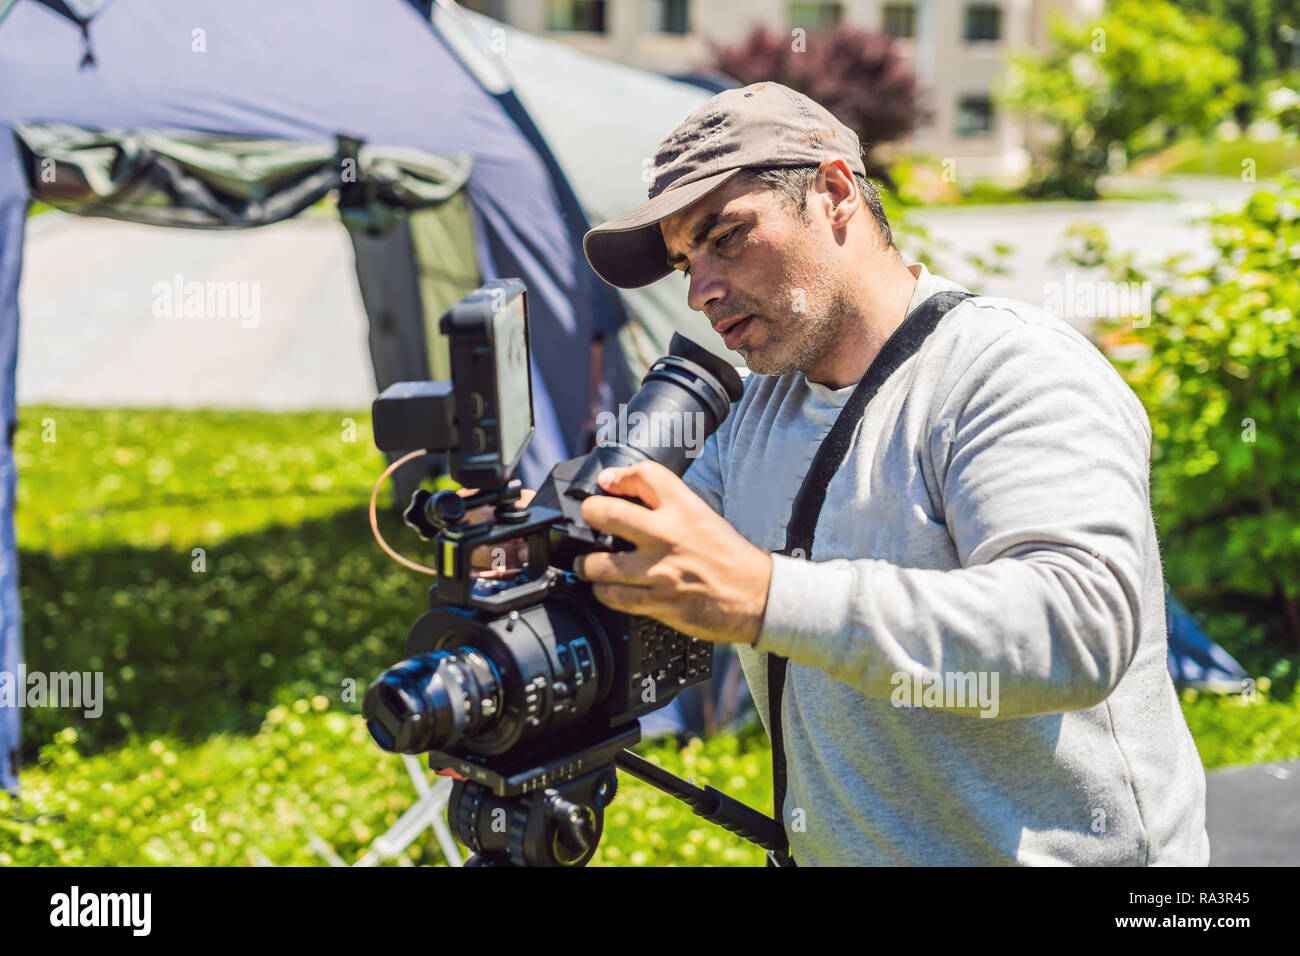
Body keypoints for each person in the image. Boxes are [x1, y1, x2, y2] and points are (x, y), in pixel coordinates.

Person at [571, 81, 1210, 865]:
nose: (701, 291)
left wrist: (767, 596)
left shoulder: (1011, 369)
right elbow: (643, 551)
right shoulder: (756, 411)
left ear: (836, 193)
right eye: (684, 263)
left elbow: (1075, 631)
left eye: (727, 236)